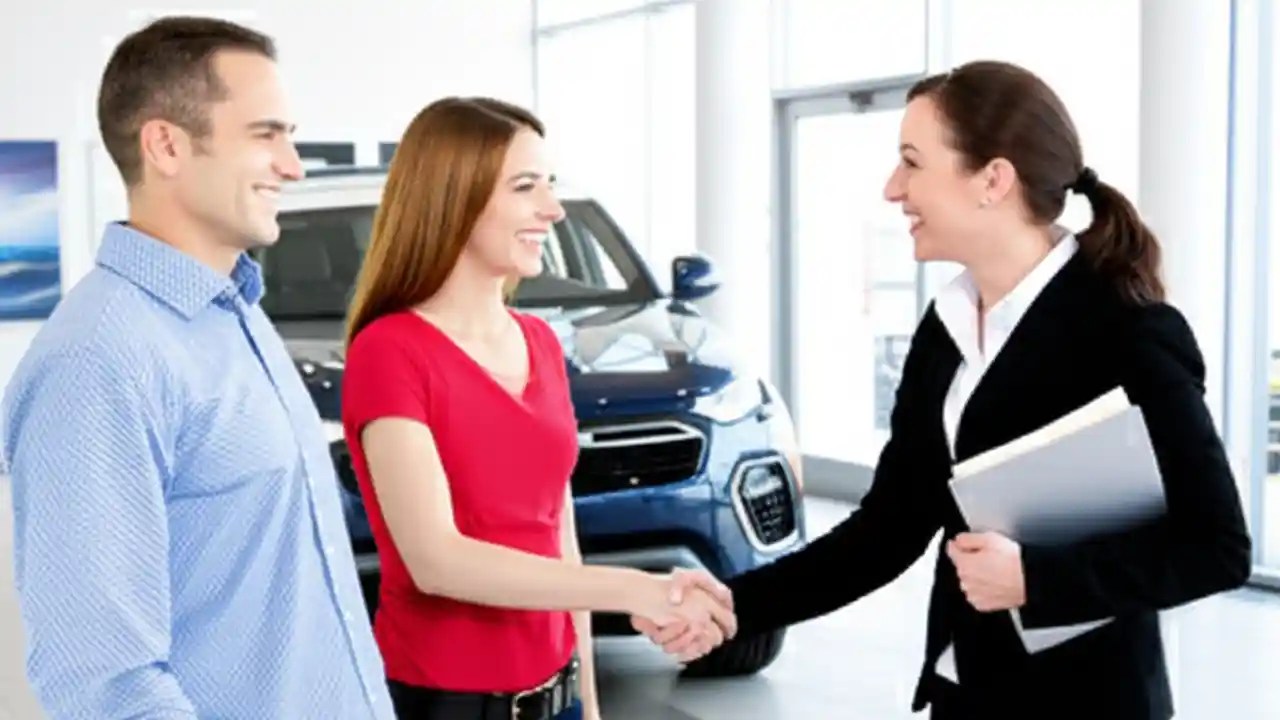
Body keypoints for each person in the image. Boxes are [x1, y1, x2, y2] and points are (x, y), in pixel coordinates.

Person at [640, 60, 1252, 719]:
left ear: (993, 179)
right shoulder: (948, 327)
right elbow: (890, 527)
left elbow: (1215, 547)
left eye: (912, 162)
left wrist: (1037, 580)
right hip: (966, 689)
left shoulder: (1126, 331)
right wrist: (737, 605)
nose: (892, 188)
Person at [0, 16, 395, 718]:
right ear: (166, 145)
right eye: (265, 134)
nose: (295, 165)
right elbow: (104, 684)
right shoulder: (97, 361)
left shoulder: (236, 313)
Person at [339, 96, 735, 720]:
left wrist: (589, 703)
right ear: (454, 198)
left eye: (549, 185)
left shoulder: (541, 343)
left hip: (555, 697)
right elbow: (436, 560)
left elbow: (559, 535)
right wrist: (638, 590)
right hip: (446, 705)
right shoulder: (389, 352)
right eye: (526, 187)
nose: (552, 209)